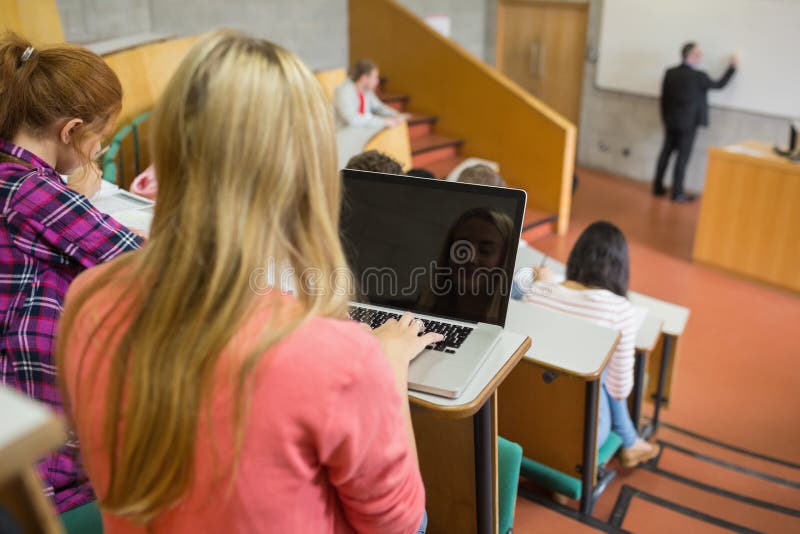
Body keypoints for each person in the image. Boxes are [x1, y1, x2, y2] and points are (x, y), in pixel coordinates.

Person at [58, 31, 439, 533]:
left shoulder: (88, 299)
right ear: (307, 170)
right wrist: (389, 365)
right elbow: (400, 523)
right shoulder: (342, 357)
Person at [0, 33, 143, 516]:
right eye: (99, 140)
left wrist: (73, 190)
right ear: (70, 131)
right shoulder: (30, 193)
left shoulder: (13, 179)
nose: (98, 150)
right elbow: (149, 265)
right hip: (46, 479)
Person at [517, 222, 660, 467]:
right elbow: (620, 389)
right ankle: (629, 442)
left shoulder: (539, 291)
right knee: (602, 374)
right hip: (584, 434)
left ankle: (629, 442)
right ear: (619, 268)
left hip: (525, 419)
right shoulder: (620, 311)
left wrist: (543, 283)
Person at [654, 42, 737, 202]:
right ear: (690, 55)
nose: (700, 57)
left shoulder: (670, 73)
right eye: (698, 54)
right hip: (688, 125)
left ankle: (657, 187)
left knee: (666, 153)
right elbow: (719, 85)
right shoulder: (699, 76)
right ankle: (677, 193)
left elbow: (663, 99)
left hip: (670, 121)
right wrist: (732, 67)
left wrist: (665, 118)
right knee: (682, 159)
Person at [334, 59, 408, 129]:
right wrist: (383, 122)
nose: (377, 81)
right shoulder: (344, 91)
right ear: (364, 78)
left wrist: (396, 114)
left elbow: (378, 107)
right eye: (375, 77)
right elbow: (353, 120)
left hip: (359, 130)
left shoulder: (367, 91)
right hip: (344, 132)